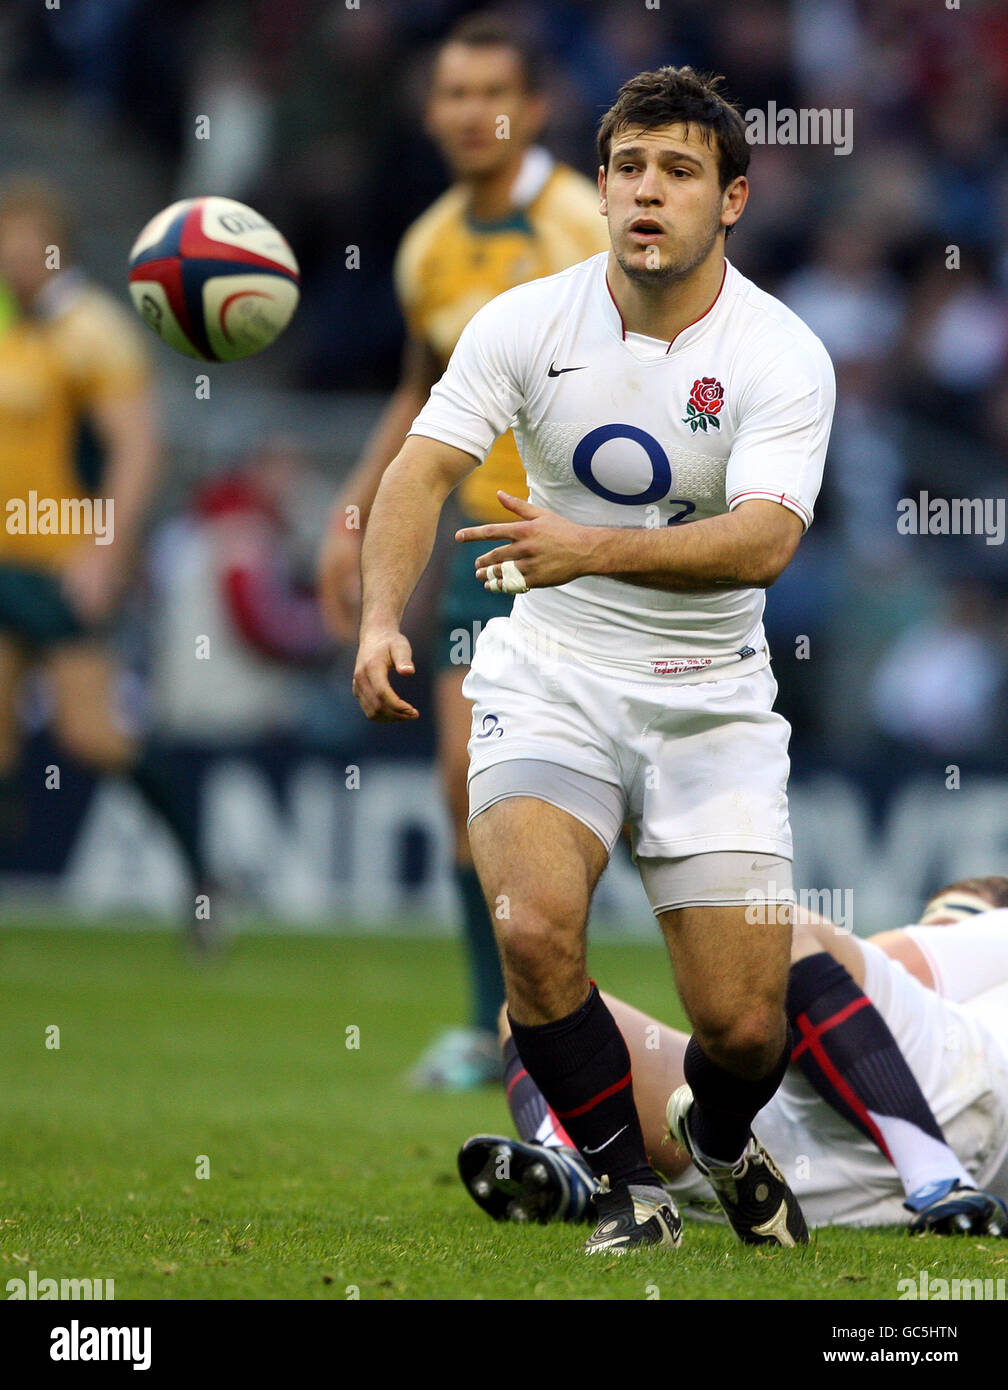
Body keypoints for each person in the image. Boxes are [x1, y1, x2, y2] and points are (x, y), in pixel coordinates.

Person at [352, 65, 836, 1252]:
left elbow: (767, 542)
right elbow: (416, 470)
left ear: (732, 198)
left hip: (710, 700)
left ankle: (717, 1138)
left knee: (743, 1028)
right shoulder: (526, 321)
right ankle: (630, 1189)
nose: (645, 193)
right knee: (531, 927)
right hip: (551, 670)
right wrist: (380, 618)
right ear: (604, 183)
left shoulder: (781, 352)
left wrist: (587, 545)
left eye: (678, 172)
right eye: (628, 168)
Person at [318, 13, 609, 1089]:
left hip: (602, 555)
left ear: (533, 108)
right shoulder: (430, 244)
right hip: (493, 559)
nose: (469, 112)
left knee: (607, 804)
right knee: (463, 787)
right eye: (450, 91)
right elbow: (417, 393)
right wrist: (352, 513)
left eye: (493, 90)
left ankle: (664, 1020)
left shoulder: (585, 224)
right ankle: (499, 1024)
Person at [458, 876, 1008, 1236]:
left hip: (949, 1097)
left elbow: (890, 961)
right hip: (821, 1163)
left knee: (768, 929)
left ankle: (938, 1179)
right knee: (528, 1014)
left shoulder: (985, 930)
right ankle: (578, 1169)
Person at [0, 177, 211, 946]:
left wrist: (105, 554)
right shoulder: (11, 327)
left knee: (91, 734)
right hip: (5, 560)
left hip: (62, 563)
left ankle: (201, 874)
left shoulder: (93, 333)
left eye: (27, 243)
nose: (14, 258)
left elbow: (135, 448)